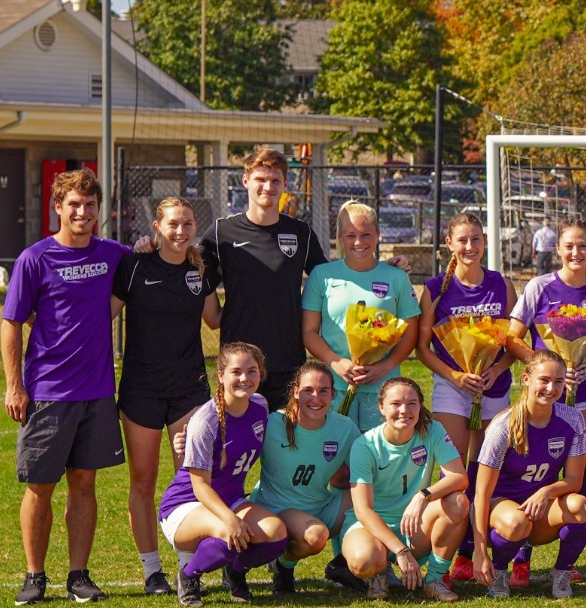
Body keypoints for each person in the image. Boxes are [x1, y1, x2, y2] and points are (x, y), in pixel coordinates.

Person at [1, 168, 130, 605]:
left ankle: (79, 575)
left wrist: (151, 246)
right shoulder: (34, 259)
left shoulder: (114, 254)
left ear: (98, 211)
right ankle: (35, 576)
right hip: (47, 392)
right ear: (58, 207)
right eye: (73, 204)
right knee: (40, 485)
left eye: (89, 206)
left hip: (96, 391)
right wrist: (14, 386)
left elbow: (149, 260)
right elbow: (11, 324)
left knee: (85, 484)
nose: (82, 212)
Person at [113, 197, 220, 596]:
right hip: (141, 389)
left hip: (188, 389)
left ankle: (185, 568)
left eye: (188, 224)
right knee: (142, 482)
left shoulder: (199, 268)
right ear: (156, 228)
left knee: (190, 480)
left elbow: (215, 320)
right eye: (172, 224)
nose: (181, 231)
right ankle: (151, 570)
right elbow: (101, 314)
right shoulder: (135, 264)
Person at [503, 219, 586, 587]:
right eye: (569, 246)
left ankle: (566, 564)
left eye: (583, 246)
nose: (575, 253)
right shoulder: (539, 287)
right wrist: (543, 365)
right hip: (542, 397)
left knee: (574, 476)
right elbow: (512, 338)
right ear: (558, 250)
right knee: (530, 467)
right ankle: (521, 557)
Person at [200, 148, 330, 408]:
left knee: (285, 445)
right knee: (236, 445)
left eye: (274, 180)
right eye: (260, 179)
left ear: (284, 184)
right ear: (246, 181)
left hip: (287, 360)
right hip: (239, 367)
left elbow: (330, 279)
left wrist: (384, 268)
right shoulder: (221, 232)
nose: (267, 187)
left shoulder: (299, 232)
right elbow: (195, 274)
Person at [158, 343, 285, 606]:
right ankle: (188, 575)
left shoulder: (260, 405)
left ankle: (236, 572)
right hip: (186, 504)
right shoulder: (206, 421)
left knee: (276, 533)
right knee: (229, 534)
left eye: (252, 371)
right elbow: (200, 487)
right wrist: (230, 519)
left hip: (230, 499)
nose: (244, 379)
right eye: (236, 371)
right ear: (221, 375)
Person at [471, 351, 586, 599]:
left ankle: (560, 573)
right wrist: (479, 550)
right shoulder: (503, 425)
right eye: (544, 380)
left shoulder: (572, 419)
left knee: (581, 506)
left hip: (541, 509)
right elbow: (481, 494)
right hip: (503, 510)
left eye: (558, 382)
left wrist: (545, 491)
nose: (551, 388)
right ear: (526, 379)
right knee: (517, 522)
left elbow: (574, 481)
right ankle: (499, 571)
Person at [342, 377, 472, 601]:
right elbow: (363, 510)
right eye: (396, 404)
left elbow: (459, 477)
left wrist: (423, 496)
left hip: (412, 523)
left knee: (458, 502)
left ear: (420, 407)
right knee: (364, 560)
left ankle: (434, 580)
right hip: (371, 526)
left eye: (412, 403)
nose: (404, 410)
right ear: (382, 407)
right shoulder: (364, 445)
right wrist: (401, 551)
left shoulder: (432, 431)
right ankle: (379, 572)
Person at [302, 202, 419, 432]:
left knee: (377, 457)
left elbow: (410, 332)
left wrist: (385, 366)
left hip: (383, 387)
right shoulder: (322, 276)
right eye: (350, 235)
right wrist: (337, 363)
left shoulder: (396, 277)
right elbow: (309, 331)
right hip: (332, 386)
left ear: (377, 234)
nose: (359, 242)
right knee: (334, 459)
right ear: (339, 237)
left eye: (366, 234)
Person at [416, 212, 516, 475]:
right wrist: (456, 376)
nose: (469, 247)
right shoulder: (434, 289)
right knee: (454, 463)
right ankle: (454, 514)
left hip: (493, 386)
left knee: (487, 462)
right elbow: (422, 349)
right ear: (449, 243)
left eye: (475, 239)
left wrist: (497, 369)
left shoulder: (503, 285)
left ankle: (477, 514)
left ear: (484, 240)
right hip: (452, 385)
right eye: (462, 240)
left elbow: (514, 343)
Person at [247, 362, 358, 595]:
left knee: (372, 492)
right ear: (296, 391)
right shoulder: (272, 424)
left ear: (333, 395)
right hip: (277, 509)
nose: (315, 397)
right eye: (308, 390)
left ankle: (346, 563)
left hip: (320, 506)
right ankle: (283, 567)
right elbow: (233, 445)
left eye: (323, 391)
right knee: (316, 536)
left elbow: (370, 461)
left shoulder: (344, 428)